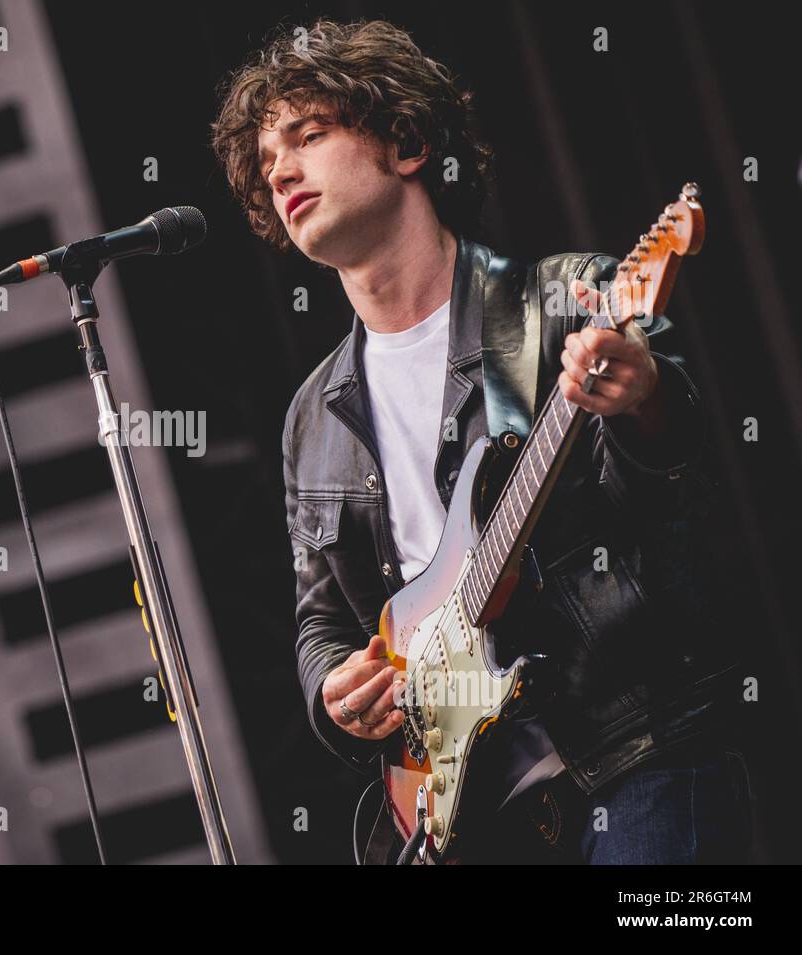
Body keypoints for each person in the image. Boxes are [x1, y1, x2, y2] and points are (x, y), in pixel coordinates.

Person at [211, 18, 752, 863]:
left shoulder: (569, 297)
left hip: (635, 755)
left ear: (408, 143)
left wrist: (645, 400)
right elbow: (322, 621)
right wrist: (335, 694)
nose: (281, 168)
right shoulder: (313, 417)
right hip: (470, 820)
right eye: (268, 160)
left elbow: (677, 488)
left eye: (308, 135)